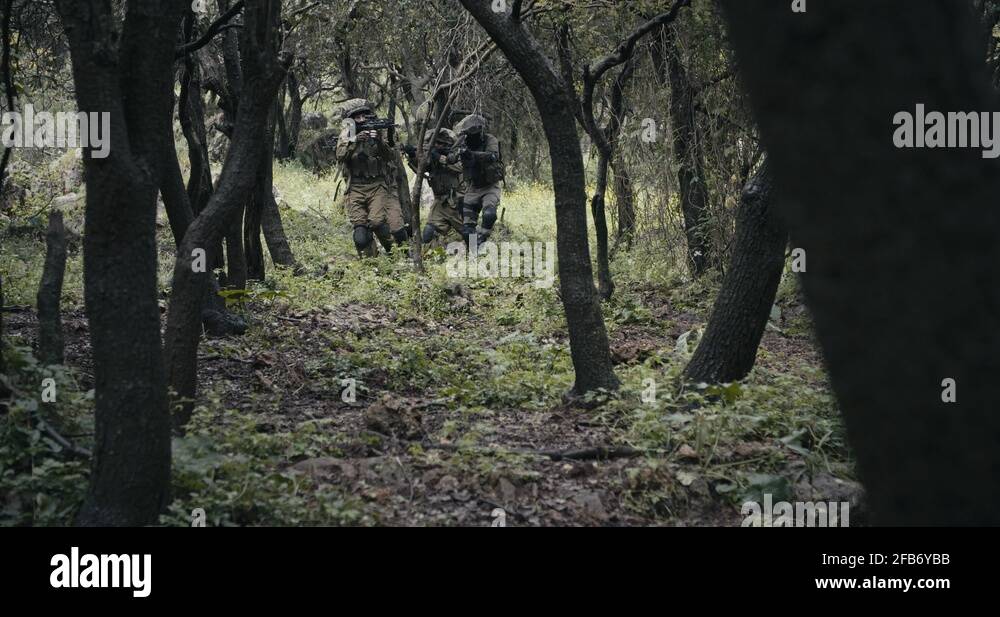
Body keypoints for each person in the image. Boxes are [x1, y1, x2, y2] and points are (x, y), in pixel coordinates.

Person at [335, 98, 408, 256]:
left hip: (378, 185)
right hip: (355, 187)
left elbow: (391, 156)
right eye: (357, 117)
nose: (362, 120)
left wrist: (379, 141)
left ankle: (396, 252)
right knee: (360, 236)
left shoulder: (378, 131)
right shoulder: (346, 134)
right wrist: (354, 140)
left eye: (364, 116)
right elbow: (340, 156)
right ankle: (372, 259)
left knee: (381, 223)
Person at [404, 128, 466, 246]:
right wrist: (412, 155)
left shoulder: (458, 153)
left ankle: (477, 251)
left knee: (469, 232)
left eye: (441, 143)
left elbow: (459, 168)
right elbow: (422, 168)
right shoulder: (432, 158)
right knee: (428, 233)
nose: (437, 145)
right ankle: (435, 256)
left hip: (458, 202)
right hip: (440, 203)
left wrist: (439, 157)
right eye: (435, 143)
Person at [451, 114, 504, 247]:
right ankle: (475, 251)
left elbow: (493, 156)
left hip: (490, 186)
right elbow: (450, 158)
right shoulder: (463, 142)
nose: (472, 136)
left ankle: (483, 237)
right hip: (472, 188)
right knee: (467, 232)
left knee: (489, 214)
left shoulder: (489, 139)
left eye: (474, 133)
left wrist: (472, 154)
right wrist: (459, 153)